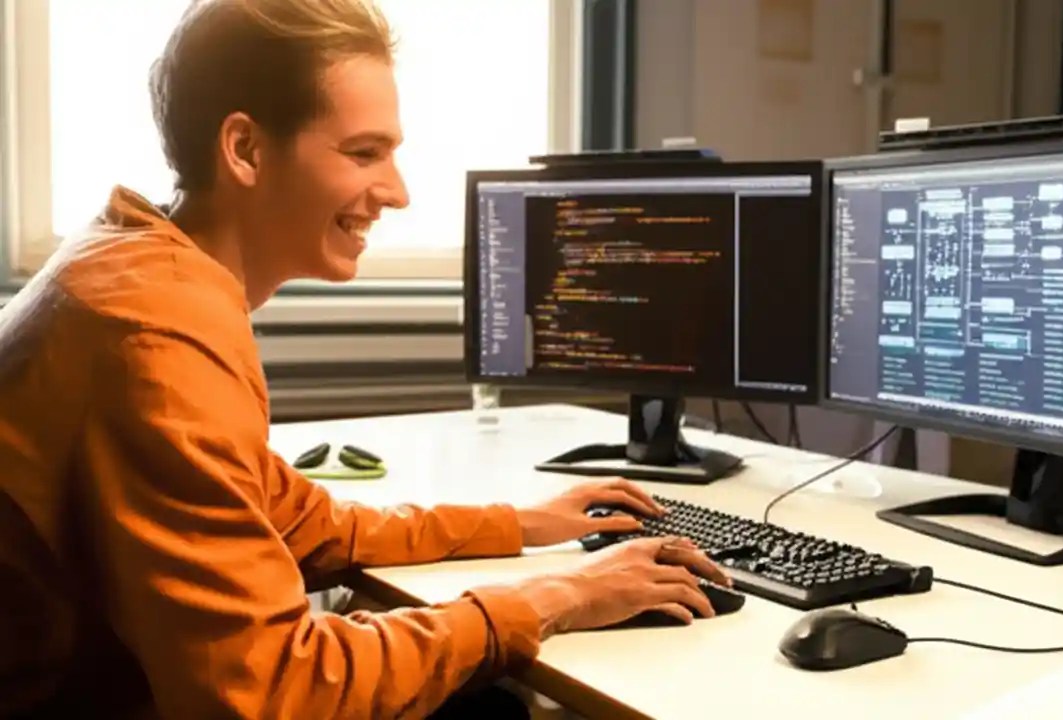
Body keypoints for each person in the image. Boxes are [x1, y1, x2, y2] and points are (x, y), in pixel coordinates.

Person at [0, 0, 729, 717]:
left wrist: (518, 524)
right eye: (363, 153)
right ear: (245, 150)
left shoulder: (131, 264)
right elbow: (274, 694)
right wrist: (555, 597)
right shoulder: (156, 338)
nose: (398, 192)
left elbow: (303, 524)